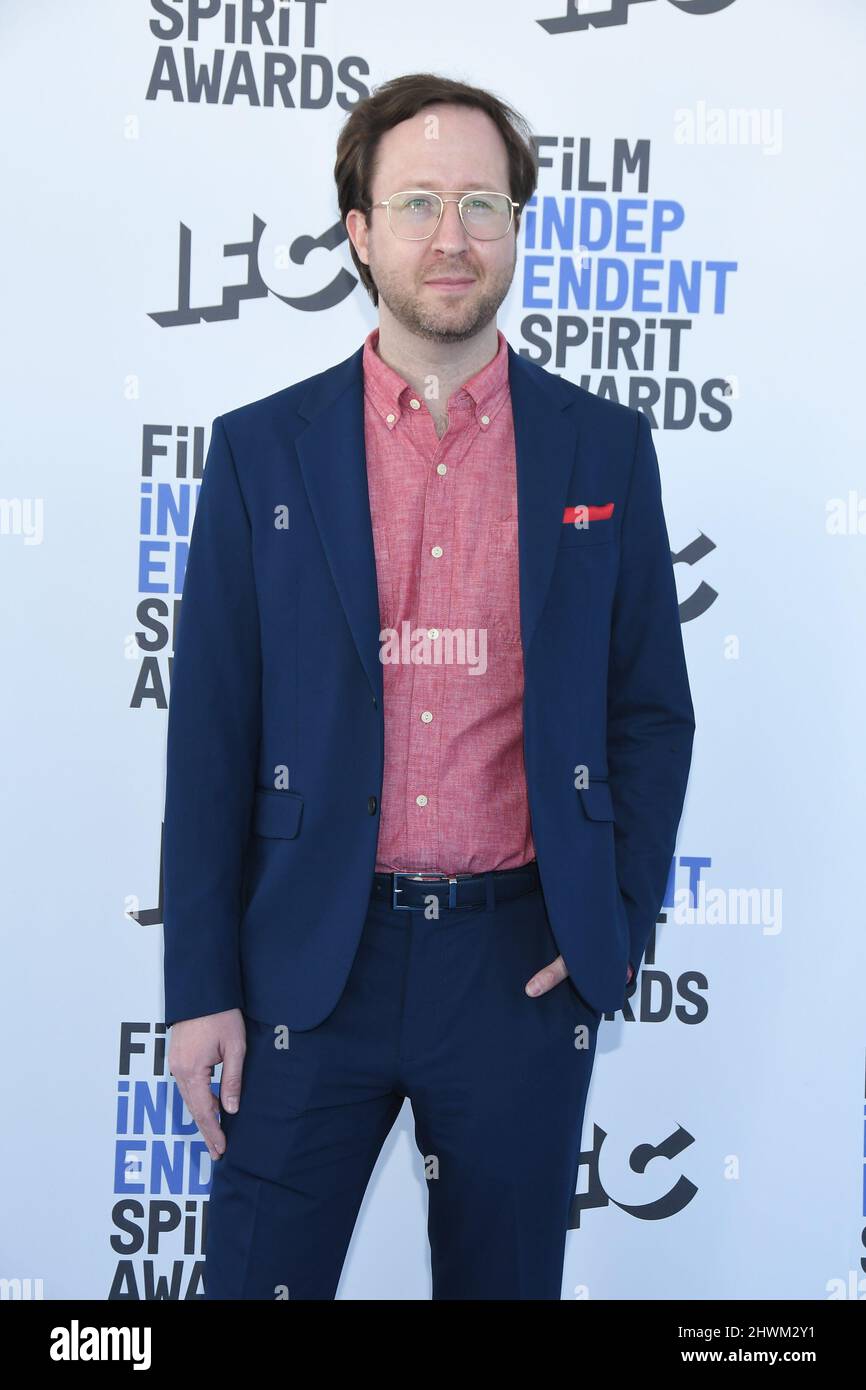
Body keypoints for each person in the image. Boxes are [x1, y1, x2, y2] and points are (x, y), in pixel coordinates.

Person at [162, 72, 695, 1300]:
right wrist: (200, 991)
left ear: (516, 228)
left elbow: (647, 707)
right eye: (415, 203)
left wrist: (605, 919)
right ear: (358, 231)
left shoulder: (603, 449)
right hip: (304, 966)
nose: (450, 237)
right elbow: (210, 737)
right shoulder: (259, 452)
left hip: (517, 967)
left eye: (480, 204)